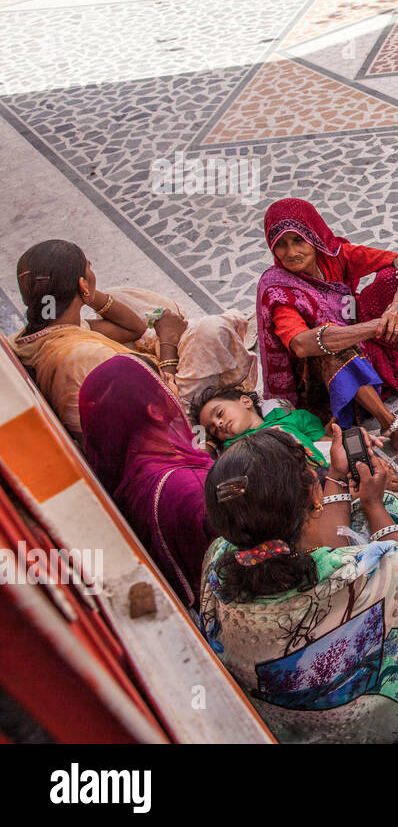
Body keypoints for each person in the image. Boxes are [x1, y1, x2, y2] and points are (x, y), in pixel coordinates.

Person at [198, 427, 398, 742]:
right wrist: (374, 506)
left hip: (310, 730)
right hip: (395, 714)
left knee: (385, 509)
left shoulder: (218, 562)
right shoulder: (388, 568)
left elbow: (324, 556)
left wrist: (337, 475)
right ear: (312, 494)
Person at [256, 197, 398, 464]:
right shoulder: (279, 289)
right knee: (331, 345)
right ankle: (390, 424)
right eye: (281, 244)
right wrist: (377, 326)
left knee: (394, 282)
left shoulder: (333, 256)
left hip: (358, 337)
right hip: (326, 376)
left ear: (315, 237)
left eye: (299, 240)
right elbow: (301, 343)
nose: (290, 252)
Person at [10, 239, 255, 436]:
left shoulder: (44, 331)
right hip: (165, 422)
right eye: (89, 266)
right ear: (82, 284)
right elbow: (167, 406)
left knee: (119, 296)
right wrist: (168, 342)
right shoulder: (87, 355)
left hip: (140, 391)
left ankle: (178, 331)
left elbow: (133, 329)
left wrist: (89, 295)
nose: (92, 268)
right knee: (212, 331)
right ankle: (183, 333)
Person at [78, 355, 215, 608]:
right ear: (154, 410)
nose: (173, 386)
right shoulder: (192, 487)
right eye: (164, 381)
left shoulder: (133, 474)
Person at [192, 383, 328, 466]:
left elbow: (326, 443)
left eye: (220, 413)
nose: (218, 424)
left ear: (246, 402)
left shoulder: (290, 418)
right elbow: (201, 453)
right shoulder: (233, 449)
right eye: (214, 431)